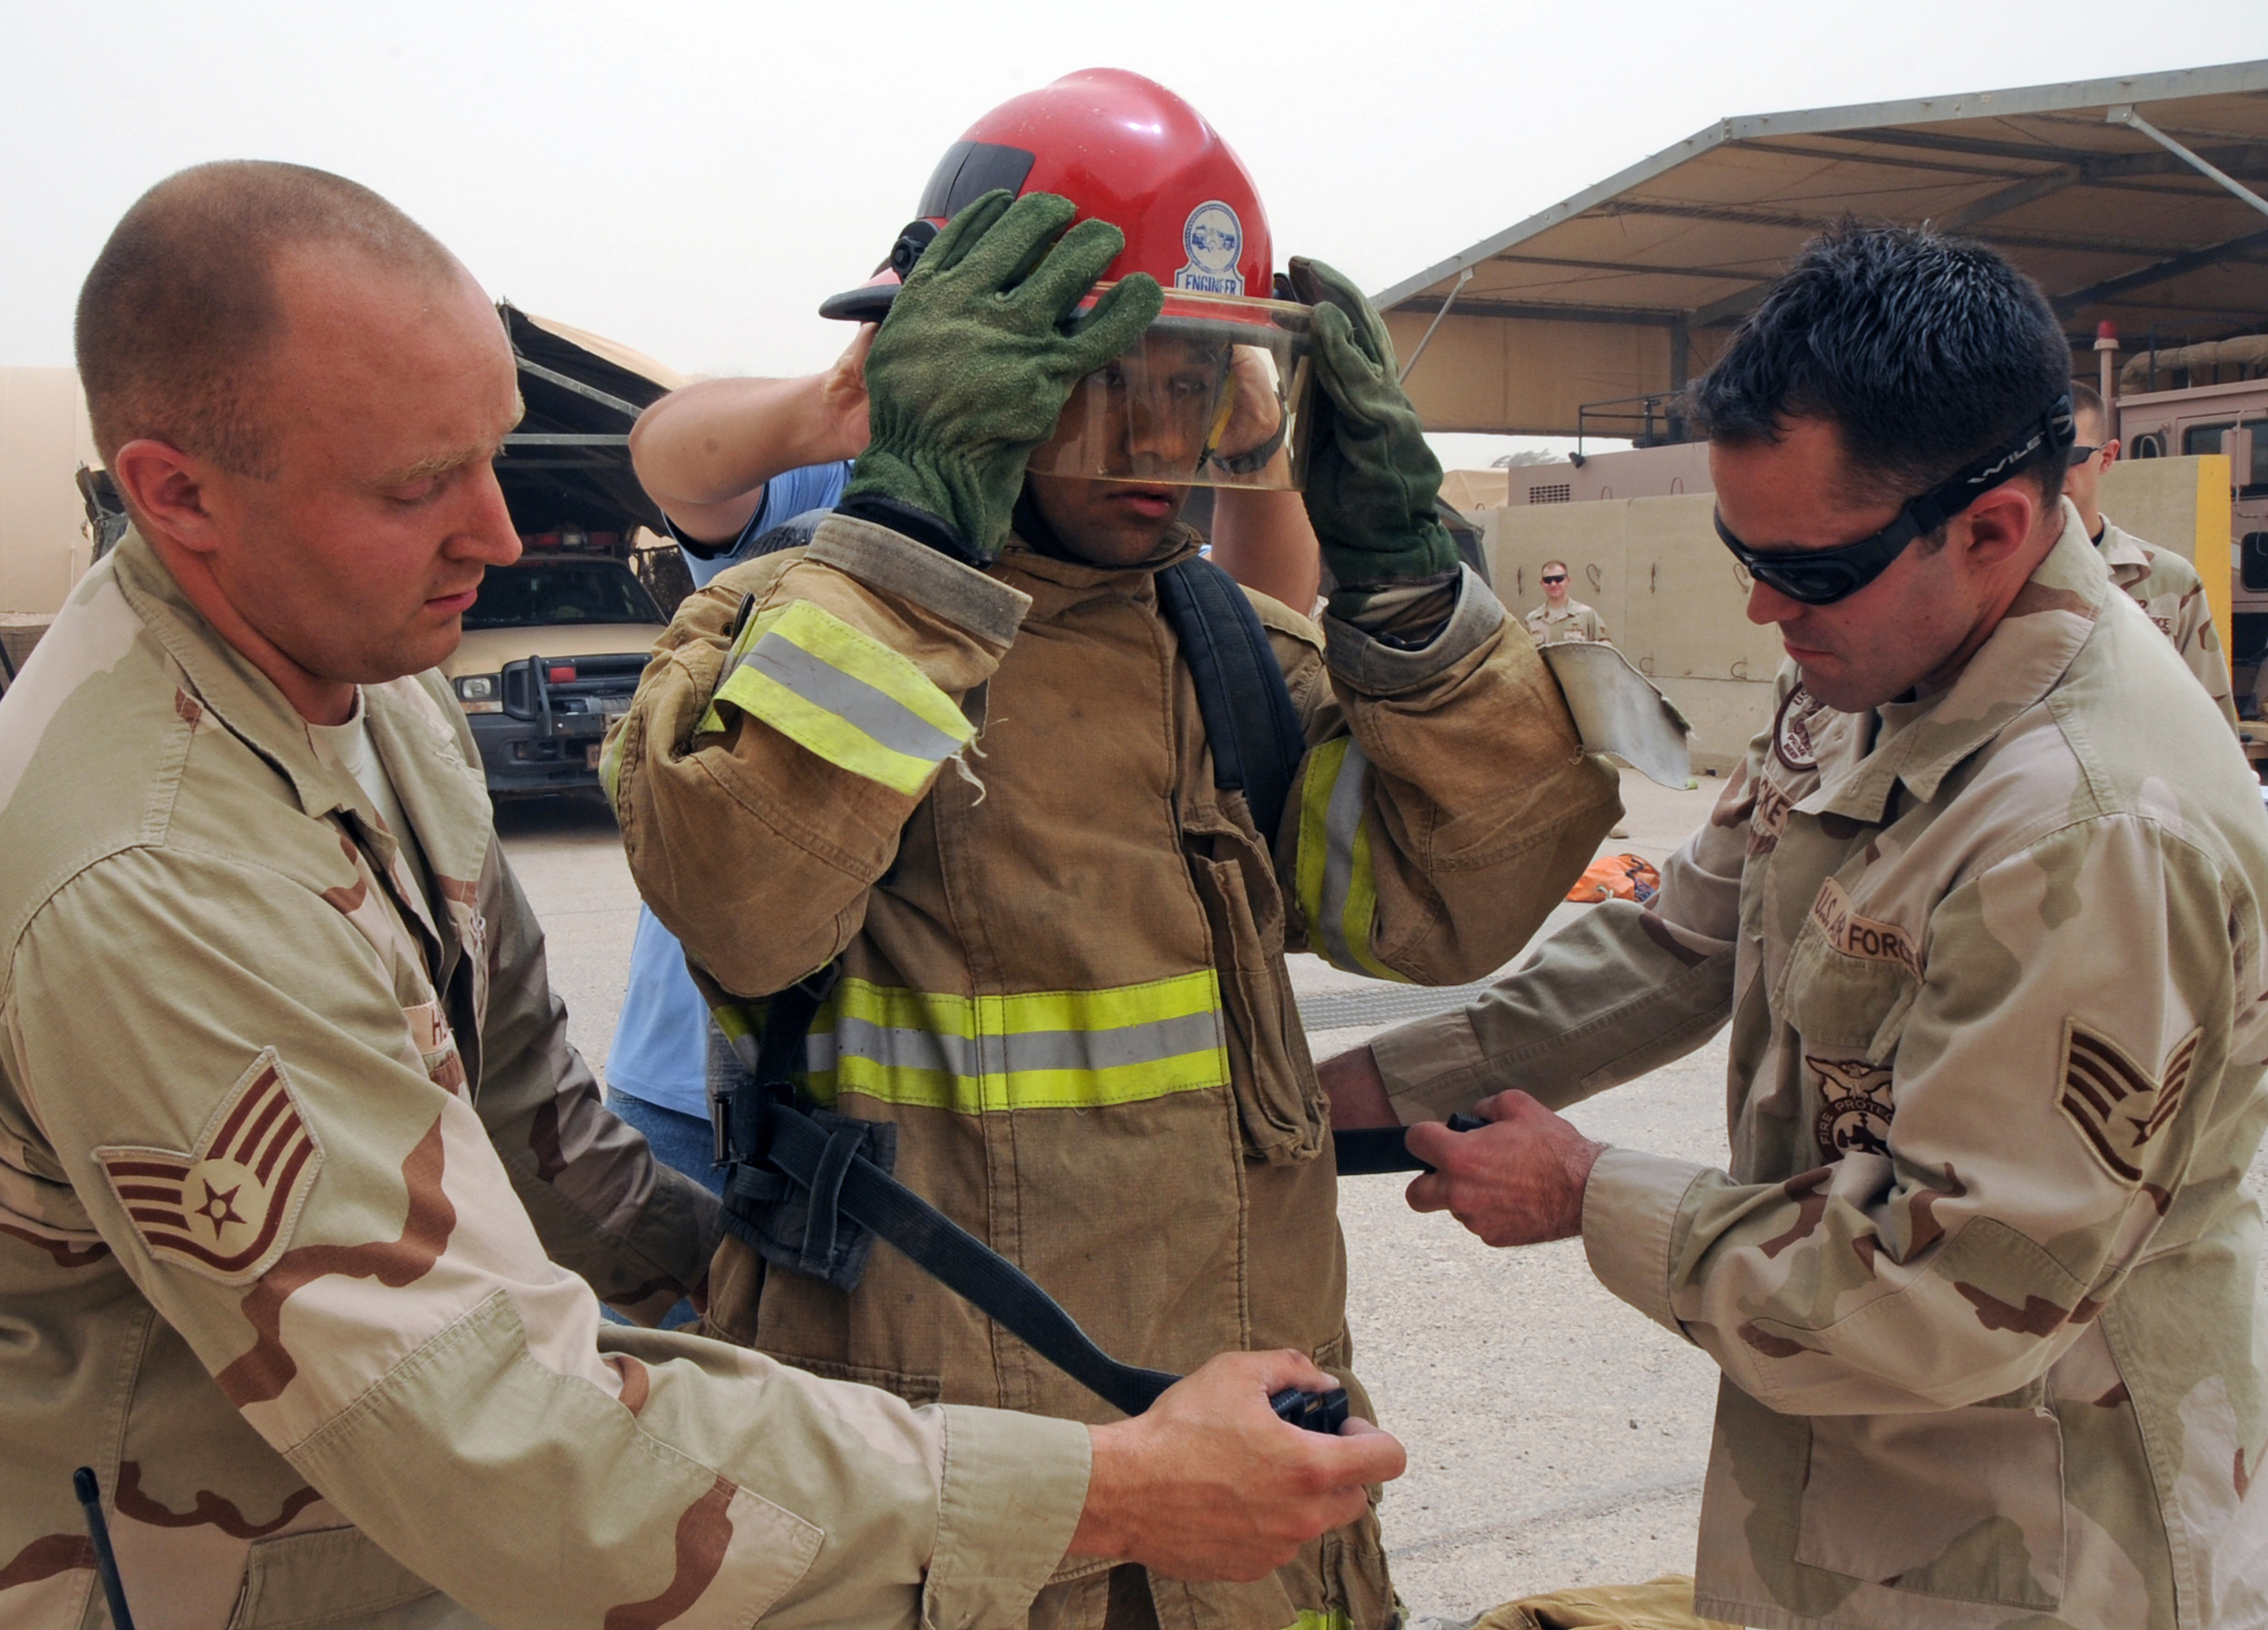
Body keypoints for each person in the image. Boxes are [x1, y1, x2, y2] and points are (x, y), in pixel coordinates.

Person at [0, 160, 1405, 1630]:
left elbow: (534, 1139)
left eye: (493, 454)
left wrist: (760, 1286)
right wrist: (1112, 1484)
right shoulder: (148, 875)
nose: (497, 537)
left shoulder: (361, 682)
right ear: (176, 494)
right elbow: (496, 1430)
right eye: (415, 485)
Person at [613, 71, 1618, 1630]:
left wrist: (1409, 600)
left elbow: (1444, 903)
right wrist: (910, 560)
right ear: (979, 375)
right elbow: (745, 905)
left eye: (1203, 386)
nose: (1162, 444)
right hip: (946, 1517)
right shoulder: (777, 634)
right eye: (1109, 385)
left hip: (1247, 1513)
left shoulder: (1224, 652)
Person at [1319, 225, 2268, 1628]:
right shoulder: (1874, 671)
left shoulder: (2089, 828)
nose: (1766, 608)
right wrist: (1346, 1098)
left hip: (2045, 1548)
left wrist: (1591, 1194)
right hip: (1850, 1508)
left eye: (1809, 572)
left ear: (1993, 528)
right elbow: (1676, 945)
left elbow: (1949, 1286)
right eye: (1740, 552)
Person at [606, 250, 1329, 1197]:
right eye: (1100, 374)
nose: (1142, 428)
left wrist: (1249, 439)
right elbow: (669, 454)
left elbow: (1262, 623)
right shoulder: (854, 493)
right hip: (711, 1095)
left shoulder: (1122, 553)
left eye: (1183, 382)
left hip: (930, 1137)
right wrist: (842, 400)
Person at [2061, 381, 2241, 730]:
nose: (2051, 473)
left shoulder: (2169, 582)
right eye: (2038, 457)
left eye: (2070, 457)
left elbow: (2212, 727)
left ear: (2107, 457)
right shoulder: (1994, 577)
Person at [1523, 560, 1604, 647]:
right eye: (1548, 580)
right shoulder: (1532, 620)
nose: (1553, 584)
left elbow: (1604, 650)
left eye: (1559, 579)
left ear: (1568, 581)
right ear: (1542, 583)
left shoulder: (1586, 615)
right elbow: (1525, 654)